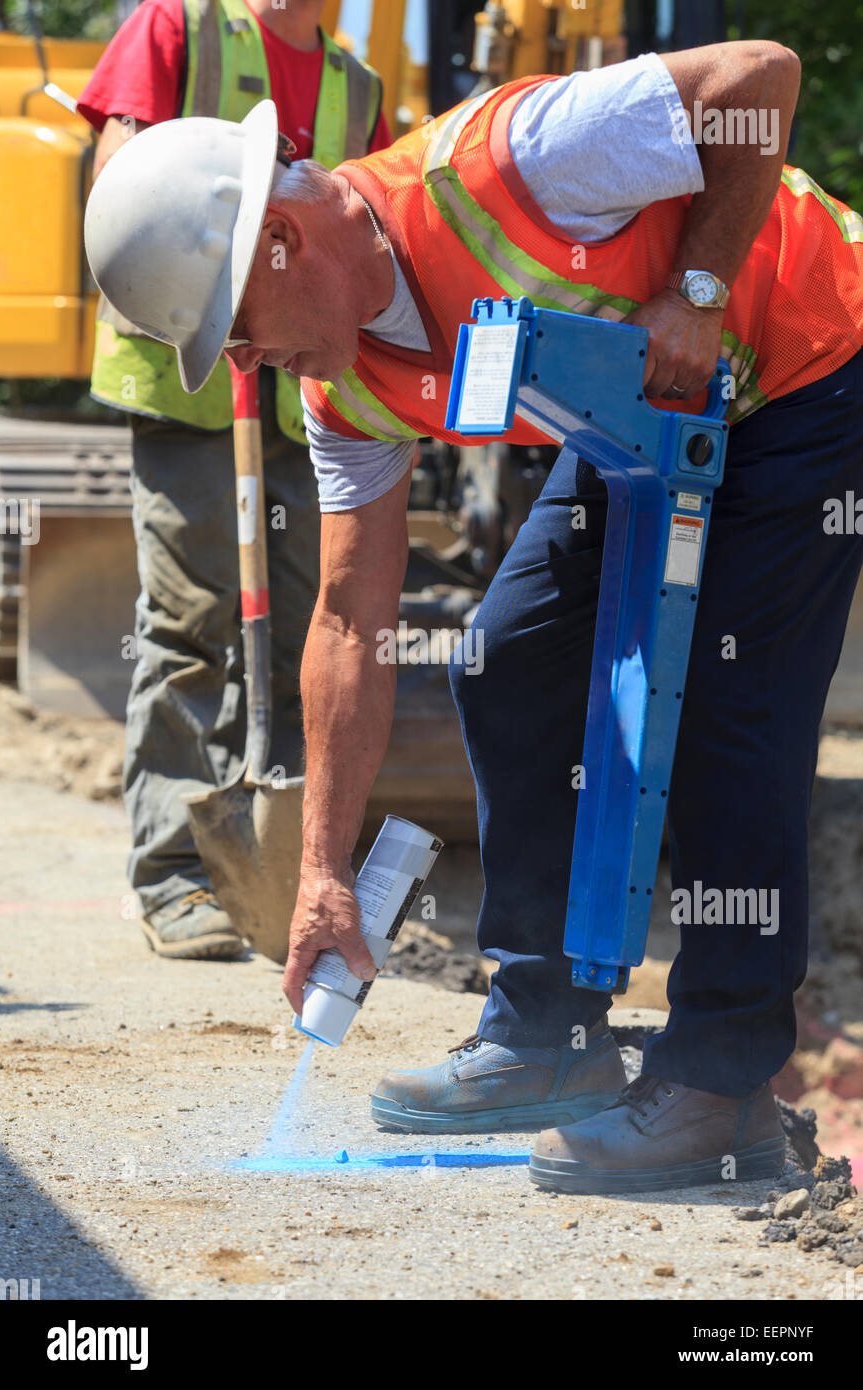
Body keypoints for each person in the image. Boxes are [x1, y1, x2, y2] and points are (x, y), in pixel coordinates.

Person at [84, 41, 863, 1193]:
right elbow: (349, 620)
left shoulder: (522, 158)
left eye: (238, 330)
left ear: (283, 242)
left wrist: (695, 290)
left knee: (725, 705)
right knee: (509, 661)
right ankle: (545, 1030)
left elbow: (758, 77)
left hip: (807, 361)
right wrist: (323, 878)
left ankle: (723, 1078)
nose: (246, 363)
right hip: (648, 413)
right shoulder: (337, 386)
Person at [77, 0, 390, 958]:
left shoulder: (360, 85)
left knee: (307, 627)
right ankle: (172, 875)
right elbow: (121, 187)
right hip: (188, 385)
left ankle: (285, 877)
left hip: (306, 393)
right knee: (190, 618)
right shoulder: (177, 28)